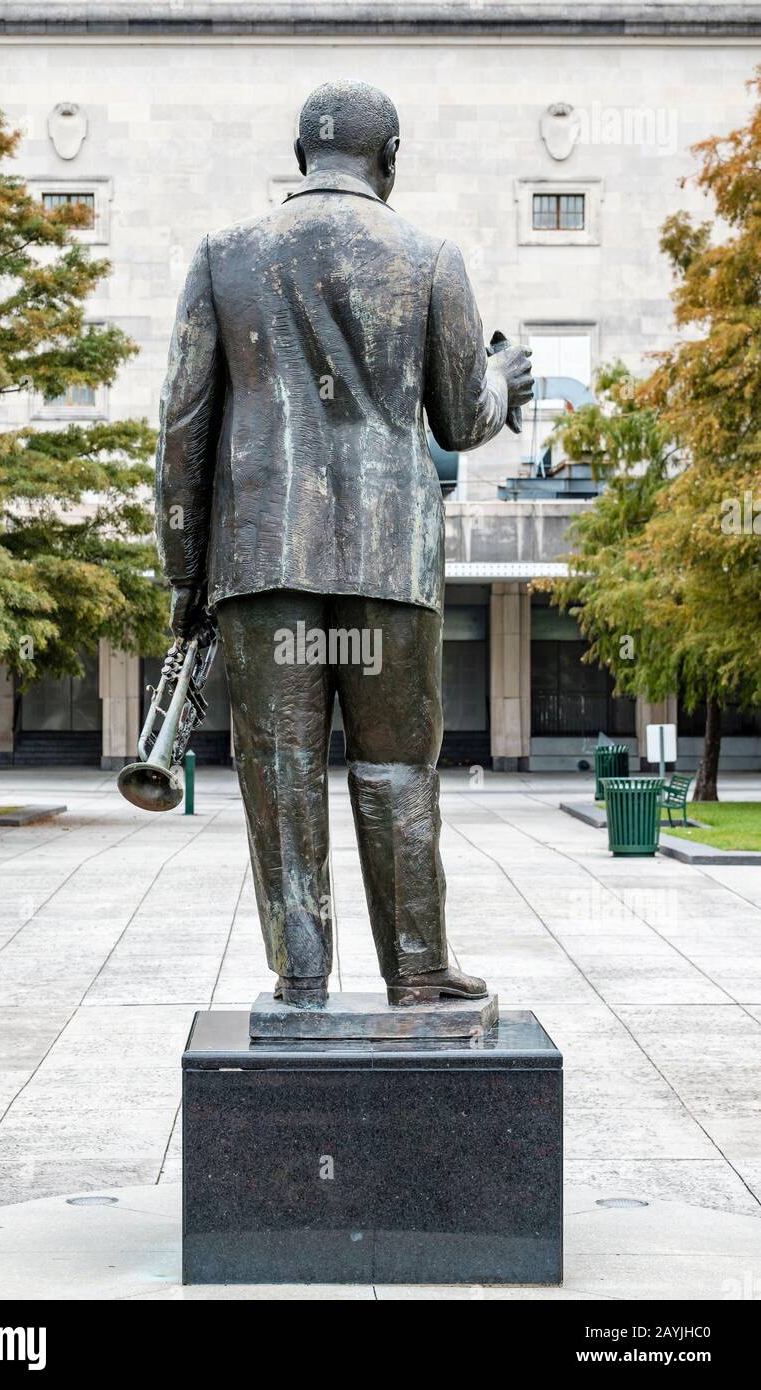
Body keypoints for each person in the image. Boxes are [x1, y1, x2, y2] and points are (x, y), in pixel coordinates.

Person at [157, 80, 534, 1008]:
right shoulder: (431, 258)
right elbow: (459, 417)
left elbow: (183, 428)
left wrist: (183, 576)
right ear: (391, 161)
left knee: (279, 767)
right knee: (399, 762)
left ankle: (302, 973)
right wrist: (504, 385)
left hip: (261, 557)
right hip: (388, 558)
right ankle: (417, 965)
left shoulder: (224, 255)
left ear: (300, 158)